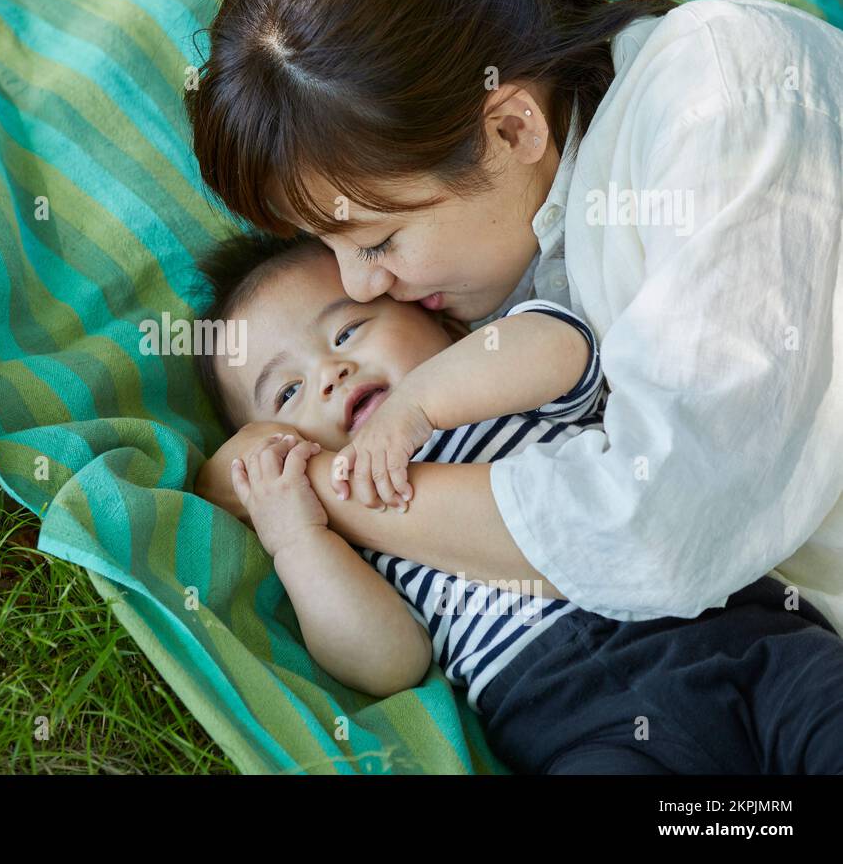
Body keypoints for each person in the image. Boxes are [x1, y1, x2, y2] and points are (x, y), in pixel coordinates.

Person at [184, 0, 843, 630]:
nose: (359, 287)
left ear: (512, 128)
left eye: (378, 241)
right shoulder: (503, 264)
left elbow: (656, 528)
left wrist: (307, 485)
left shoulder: (720, 101)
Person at [193, 231, 843, 773]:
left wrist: (421, 405)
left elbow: (561, 347)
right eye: (286, 394)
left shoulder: (494, 373)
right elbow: (390, 663)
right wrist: (297, 538)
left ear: (435, 315)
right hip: (576, 724)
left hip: (729, 635)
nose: (330, 374)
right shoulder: (355, 536)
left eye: (348, 333)